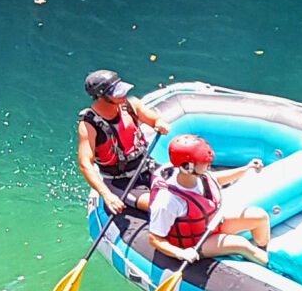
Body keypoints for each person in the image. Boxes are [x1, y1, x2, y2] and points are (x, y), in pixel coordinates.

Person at [147, 134, 272, 266]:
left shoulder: (197, 175)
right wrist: (180, 253)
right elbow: (155, 238)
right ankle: (272, 267)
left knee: (260, 216)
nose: (209, 164)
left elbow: (215, 179)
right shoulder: (167, 201)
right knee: (241, 245)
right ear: (186, 167)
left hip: (209, 224)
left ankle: (264, 251)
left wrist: (246, 168)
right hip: (195, 241)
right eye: (203, 161)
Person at [76, 69, 168, 213]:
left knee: (189, 191)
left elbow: (155, 119)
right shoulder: (88, 125)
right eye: (117, 92)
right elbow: (85, 164)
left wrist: (159, 123)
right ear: (102, 96)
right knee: (162, 206)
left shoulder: (131, 105)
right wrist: (107, 195)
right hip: (122, 183)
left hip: (147, 167)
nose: (124, 94)